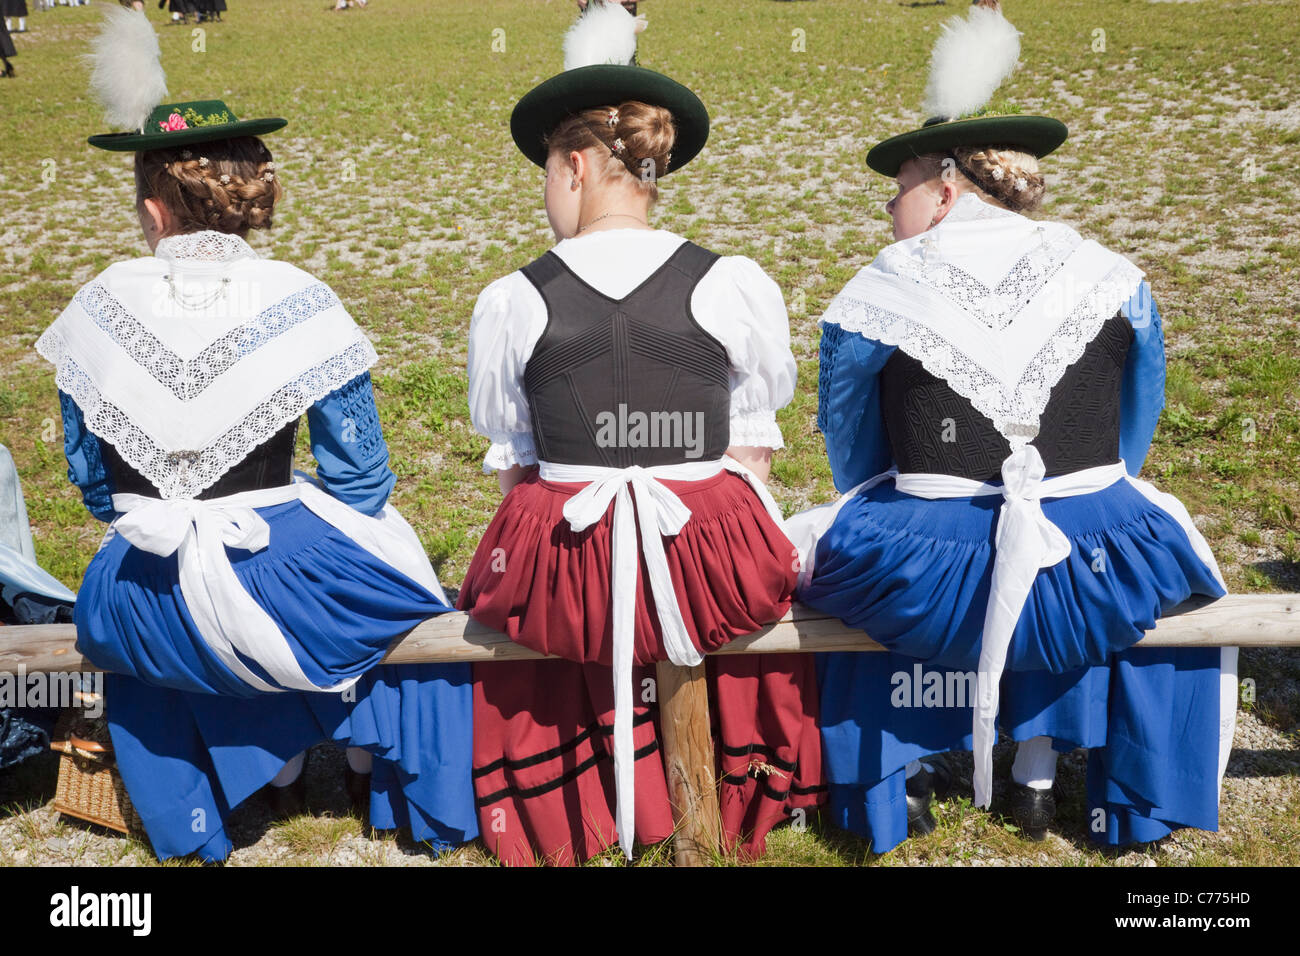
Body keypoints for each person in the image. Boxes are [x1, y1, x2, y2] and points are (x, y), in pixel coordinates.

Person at [791, 0, 1234, 851]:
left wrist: (900, 498)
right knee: (1066, 549)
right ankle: (1035, 774)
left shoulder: (884, 282)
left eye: (902, 189)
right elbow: (1130, 431)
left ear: (949, 189)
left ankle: (901, 779)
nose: (890, 211)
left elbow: (852, 446)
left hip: (931, 572)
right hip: (1102, 561)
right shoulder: (1113, 272)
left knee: (841, 559)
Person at [34, 8, 476, 861]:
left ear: (155, 208)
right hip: (270, 571)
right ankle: (355, 758)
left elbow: (95, 490)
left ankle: (252, 778)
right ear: (246, 201)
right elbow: (361, 480)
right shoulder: (300, 298)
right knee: (411, 598)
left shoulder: (94, 307)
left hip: (132, 599)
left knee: (212, 598)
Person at [458, 1, 822, 866]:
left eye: (547, 168)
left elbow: (515, 468)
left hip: (566, 552)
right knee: (753, 582)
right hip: (708, 542)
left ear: (578, 164)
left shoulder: (514, 297)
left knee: (522, 608)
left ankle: (583, 788)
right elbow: (752, 449)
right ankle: (730, 778)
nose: (546, 189)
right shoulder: (731, 280)